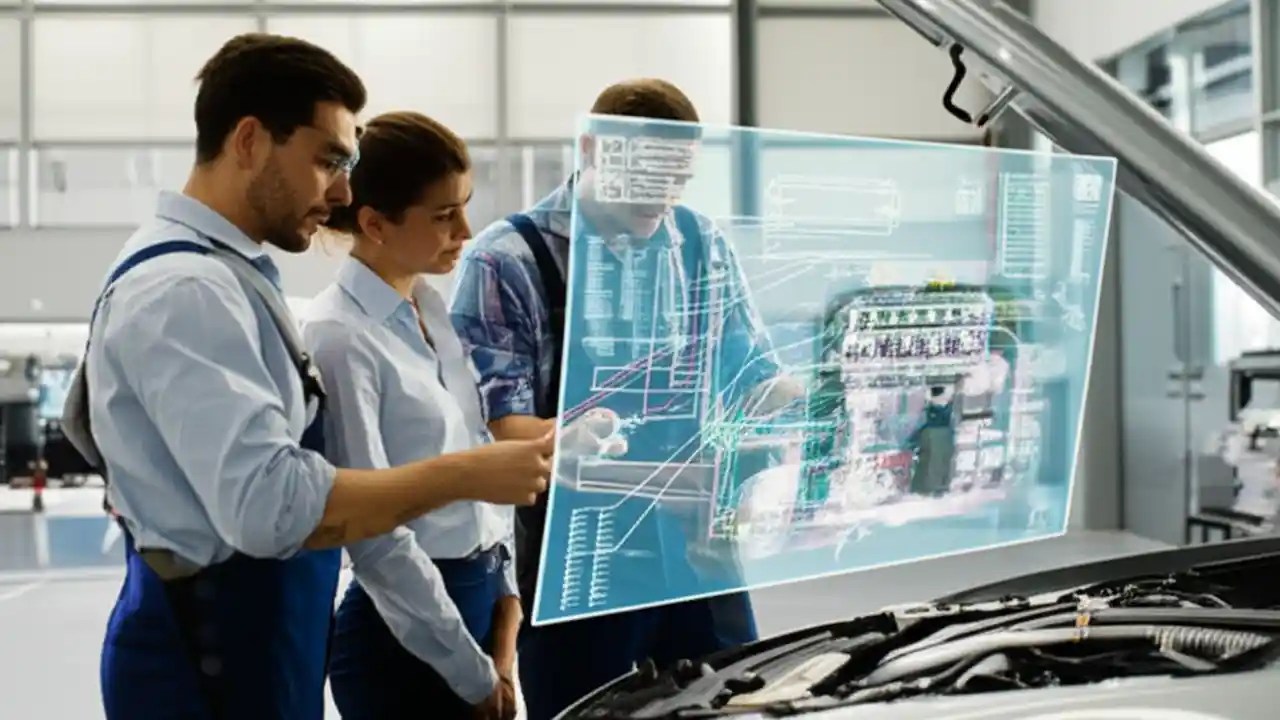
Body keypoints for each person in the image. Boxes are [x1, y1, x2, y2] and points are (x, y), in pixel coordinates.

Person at [77, 34, 550, 720]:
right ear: (249, 141)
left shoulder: (231, 278)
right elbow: (270, 507)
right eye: (328, 159)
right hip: (204, 653)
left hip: (258, 637)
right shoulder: (186, 291)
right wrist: (468, 473)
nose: (342, 193)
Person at [450, 78, 805, 720]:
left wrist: (822, 392)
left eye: (679, 179)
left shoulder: (701, 244)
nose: (663, 198)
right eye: (648, 174)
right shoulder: (509, 261)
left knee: (741, 704)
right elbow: (502, 431)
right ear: (591, 147)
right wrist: (582, 440)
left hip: (700, 552)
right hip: (581, 564)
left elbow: (753, 377)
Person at [300, 111, 521, 720]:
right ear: (373, 223)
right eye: (445, 216)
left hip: (480, 616)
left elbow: (481, 474)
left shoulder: (430, 311)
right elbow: (374, 535)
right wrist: (471, 672)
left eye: (466, 207)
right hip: (407, 642)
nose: (467, 231)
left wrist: (505, 621)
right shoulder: (339, 337)